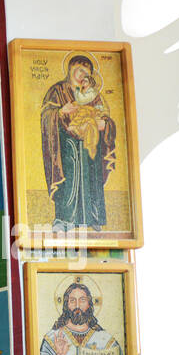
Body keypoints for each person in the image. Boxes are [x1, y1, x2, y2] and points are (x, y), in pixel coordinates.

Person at [40, 54, 116, 233]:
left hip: (91, 142)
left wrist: (104, 124)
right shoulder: (57, 90)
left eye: (86, 73)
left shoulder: (94, 94)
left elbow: (105, 115)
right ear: (71, 68)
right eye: (79, 70)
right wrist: (60, 111)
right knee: (71, 176)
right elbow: (46, 115)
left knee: (92, 176)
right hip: (67, 142)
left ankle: (93, 217)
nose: (82, 75)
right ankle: (65, 219)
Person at [39, 280, 124, 355]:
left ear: (89, 304)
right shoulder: (52, 339)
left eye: (82, 300)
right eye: (72, 300)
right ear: (66, 304)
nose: (77, 305)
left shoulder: (107, 341)